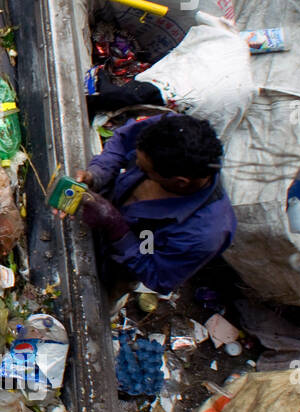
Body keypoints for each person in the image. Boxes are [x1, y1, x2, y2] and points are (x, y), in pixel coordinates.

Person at [65, 112, 236, 293]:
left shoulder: (203, 235)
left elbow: (157, 276)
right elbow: (122, 141)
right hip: (98, 210)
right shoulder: (167, 130)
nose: (137, 165)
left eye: (145, 170)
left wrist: (115, 226)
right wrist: (98, 173)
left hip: (113, 267)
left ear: (179, 182)